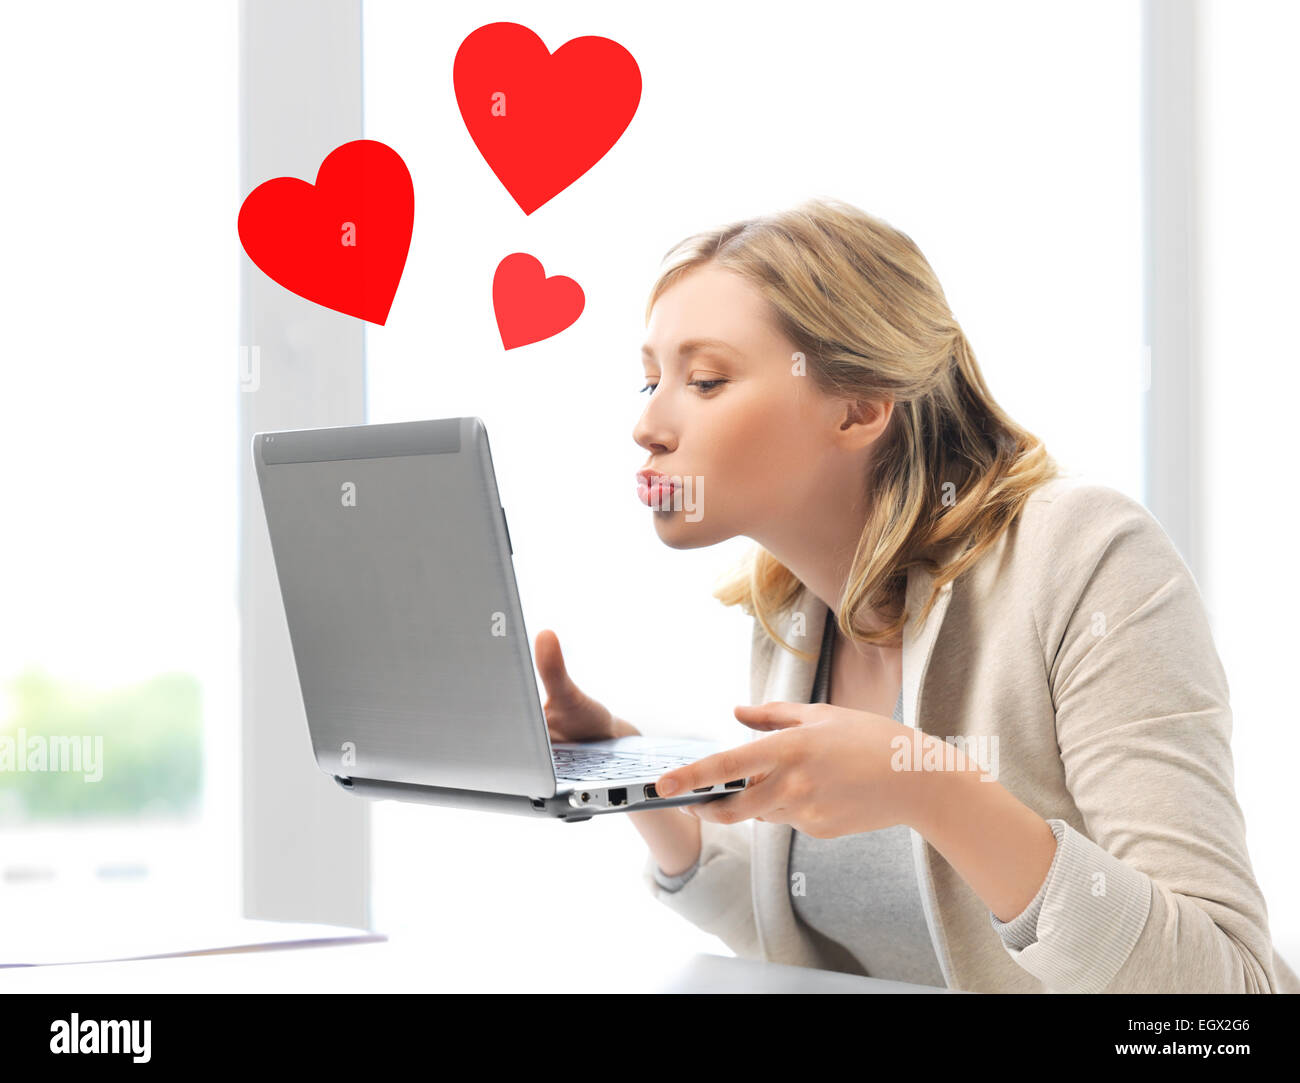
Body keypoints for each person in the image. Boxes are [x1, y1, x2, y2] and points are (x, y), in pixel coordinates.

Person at [533, 197, 1298, 993]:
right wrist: (633, 778)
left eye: (705, 379)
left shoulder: (1088, 555)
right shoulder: (796, 612)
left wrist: (928, 788)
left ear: (860, 407)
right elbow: (834, 943)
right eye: (651, 378)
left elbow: (1224, 996)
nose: (648, 425)